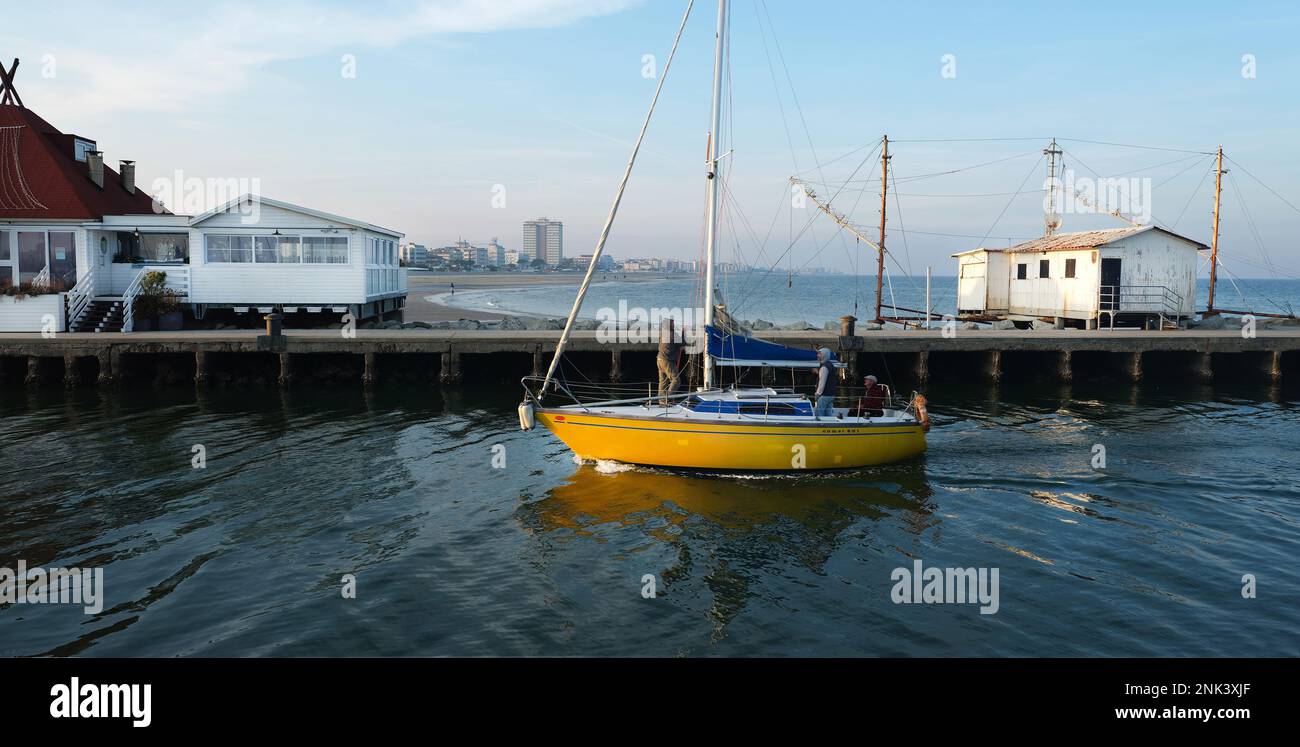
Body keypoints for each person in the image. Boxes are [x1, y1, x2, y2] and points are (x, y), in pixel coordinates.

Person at [657, 318, 683, 406]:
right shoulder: (672, 334)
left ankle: (661, 401)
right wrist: (684, 332)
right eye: (672, 324)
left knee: (663, 381)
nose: (674, 325)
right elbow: (682, 342)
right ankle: (668, 399)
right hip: (667, 361)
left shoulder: (663, 333)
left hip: (659, 359)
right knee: (676, 380)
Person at [813, 347, 837, 419]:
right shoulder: (830, 365)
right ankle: (829, 425)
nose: (817, 355)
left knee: (820, 414)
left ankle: (820, 428)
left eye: (819, 354)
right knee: (828, 414)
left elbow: (822, 383)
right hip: (831, 394)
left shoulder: (824, 367)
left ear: (824, 355)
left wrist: (817, 394)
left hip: (824, 395)